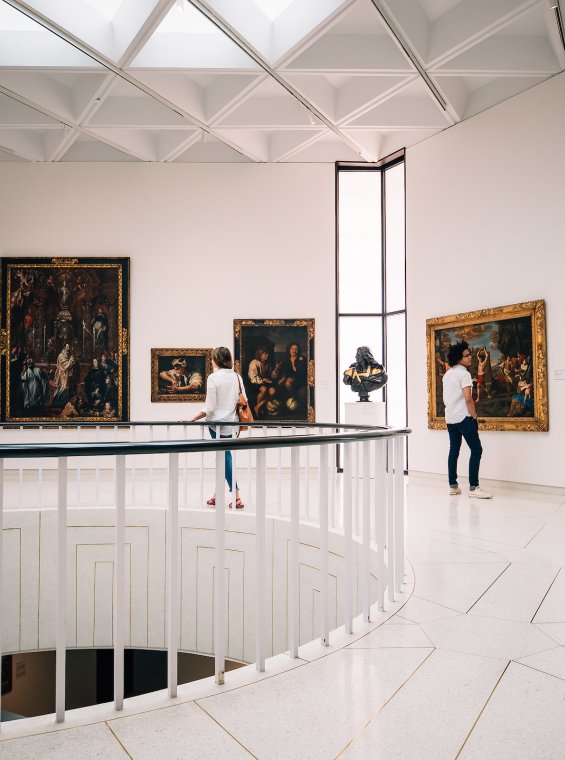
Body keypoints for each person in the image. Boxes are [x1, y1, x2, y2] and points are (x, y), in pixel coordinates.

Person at [190, 346, 246, 509]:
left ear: (216, 360)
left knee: (224, 457)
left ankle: (236, 496)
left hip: (216, 425)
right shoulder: (237, 377)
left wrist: (191, 419)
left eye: (212, 359)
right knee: (223, 457)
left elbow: (210, 408)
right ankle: (217, 495)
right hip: (232, 424)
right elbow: (244, 400)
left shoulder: (213, 378)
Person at [442, 341, 492, 499]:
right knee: (477, 450)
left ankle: (453, 487)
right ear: (458, 359)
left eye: (470, 354)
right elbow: (469, 399)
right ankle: (474, 487)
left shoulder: (448, 374)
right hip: (464, 418)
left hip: (450, 419)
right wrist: (474, 417)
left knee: (454, 451)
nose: (470, 357)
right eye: (467, 355)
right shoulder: (464, 374)